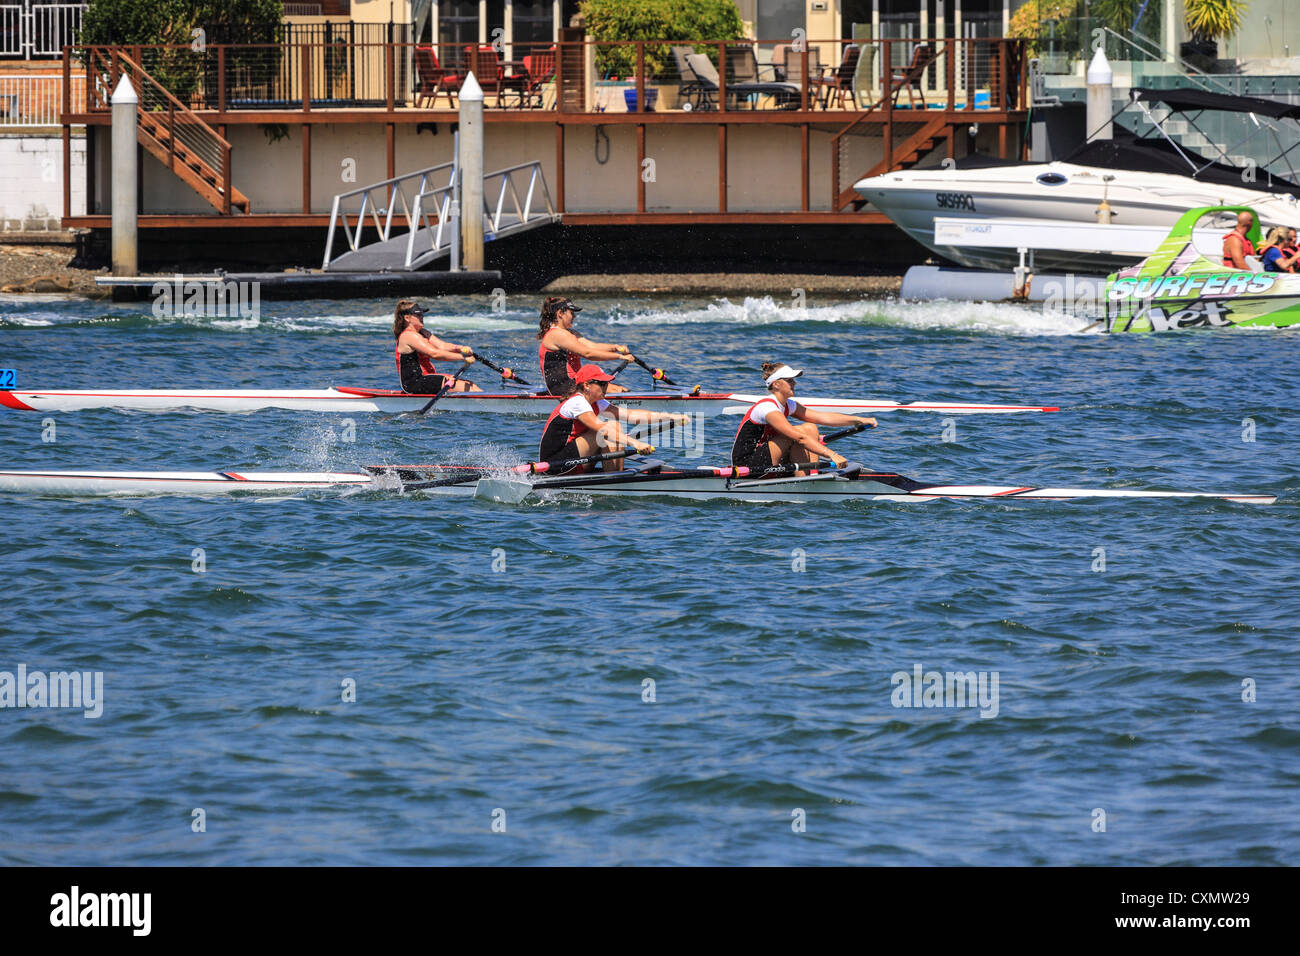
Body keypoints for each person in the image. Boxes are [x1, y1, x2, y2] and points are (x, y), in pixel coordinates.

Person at [731, 363, 877, 476]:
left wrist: (859, 419)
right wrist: (833, 455)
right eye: (790, 380)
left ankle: (807, 477)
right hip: (747, 466)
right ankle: (805, 480)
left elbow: (823, 417)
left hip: (768, 458)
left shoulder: (787, 404)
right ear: (776, 384)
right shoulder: (767, 408)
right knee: (800, 432)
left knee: (810, 427)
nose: (794, 383)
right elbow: (800, 438)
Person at [538, 365, 686, 474]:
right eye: (601, 384)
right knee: (608, 429)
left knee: (614, 426)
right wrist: (636, 443)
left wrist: (670, 416)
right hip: (556, 465)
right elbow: (602, 430)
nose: (605, 387)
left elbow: (631, 415)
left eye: (606, 383)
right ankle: (614, 478)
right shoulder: (577, 402)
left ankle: (616, 476)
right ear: (587, 385)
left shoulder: (596, 401)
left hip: (577, 460)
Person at [537, 296, 632, 395]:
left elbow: (592, 346)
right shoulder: (557, 334)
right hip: (564, 390)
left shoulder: (570, 333)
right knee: (618, 390)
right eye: (571, 313)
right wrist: (620, 356)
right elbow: (588, 353)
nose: (574, 316)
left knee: (617, 389)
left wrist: (616, 347)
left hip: (576, 383)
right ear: (560, 313)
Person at [393, 300, 482, 394]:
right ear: (407, 318)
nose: (422, 317)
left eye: (422, 314)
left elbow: (442, 346)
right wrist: (462, 357)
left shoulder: (423, 332)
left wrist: (460, 348)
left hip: (426, 377)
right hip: (414, 383)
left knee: (469, 385)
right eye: (418, 315)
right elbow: (435, 353)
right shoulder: (409, 336)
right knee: (465, 387)